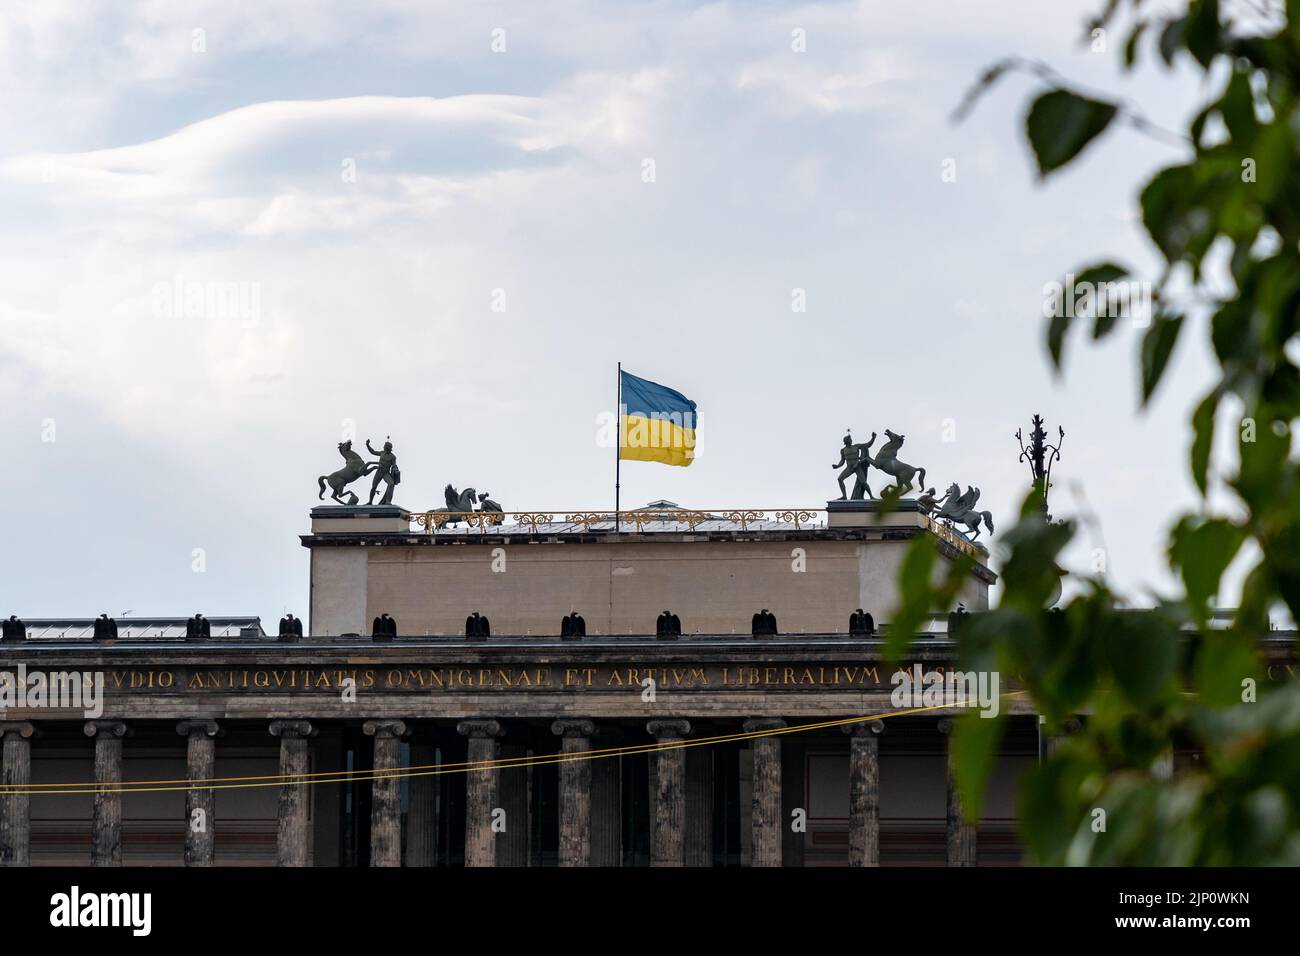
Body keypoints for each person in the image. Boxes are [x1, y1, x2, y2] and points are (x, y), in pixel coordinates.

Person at [366, 438, 400, 506]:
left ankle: (388, 501)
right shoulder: (382, 453)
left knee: (391, 483)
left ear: (389, 448)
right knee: (374, 487)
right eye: (384, 446)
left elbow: (394, 465)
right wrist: (368, 445)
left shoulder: (393, 457)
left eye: (385, 446)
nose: (384, 447)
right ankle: (370, 501)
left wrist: (396, 470)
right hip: (379, 471)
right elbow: (373, 452)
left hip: (386, 473)